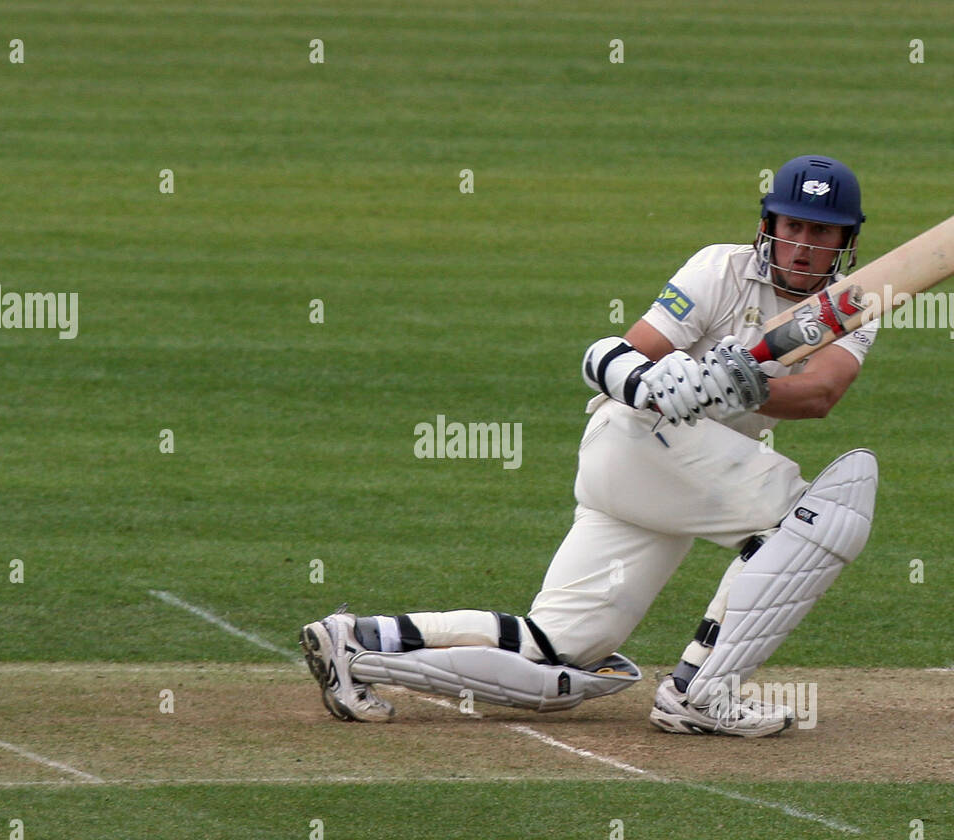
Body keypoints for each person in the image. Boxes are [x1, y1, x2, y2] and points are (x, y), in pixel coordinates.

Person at [299, 154, 879, 738]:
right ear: (770, 226)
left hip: (684, 480)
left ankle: (358, 645)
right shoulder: (719, 268)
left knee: (557, 657)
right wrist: (658, 380)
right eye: (793, 226)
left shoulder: (854, 302)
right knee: (819, 518)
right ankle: (701, 693)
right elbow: (621, 351)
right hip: (641, 441)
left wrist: (747, 388)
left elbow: (820, 393)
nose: (804, 244)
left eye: (821, 231)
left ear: (846, 240)